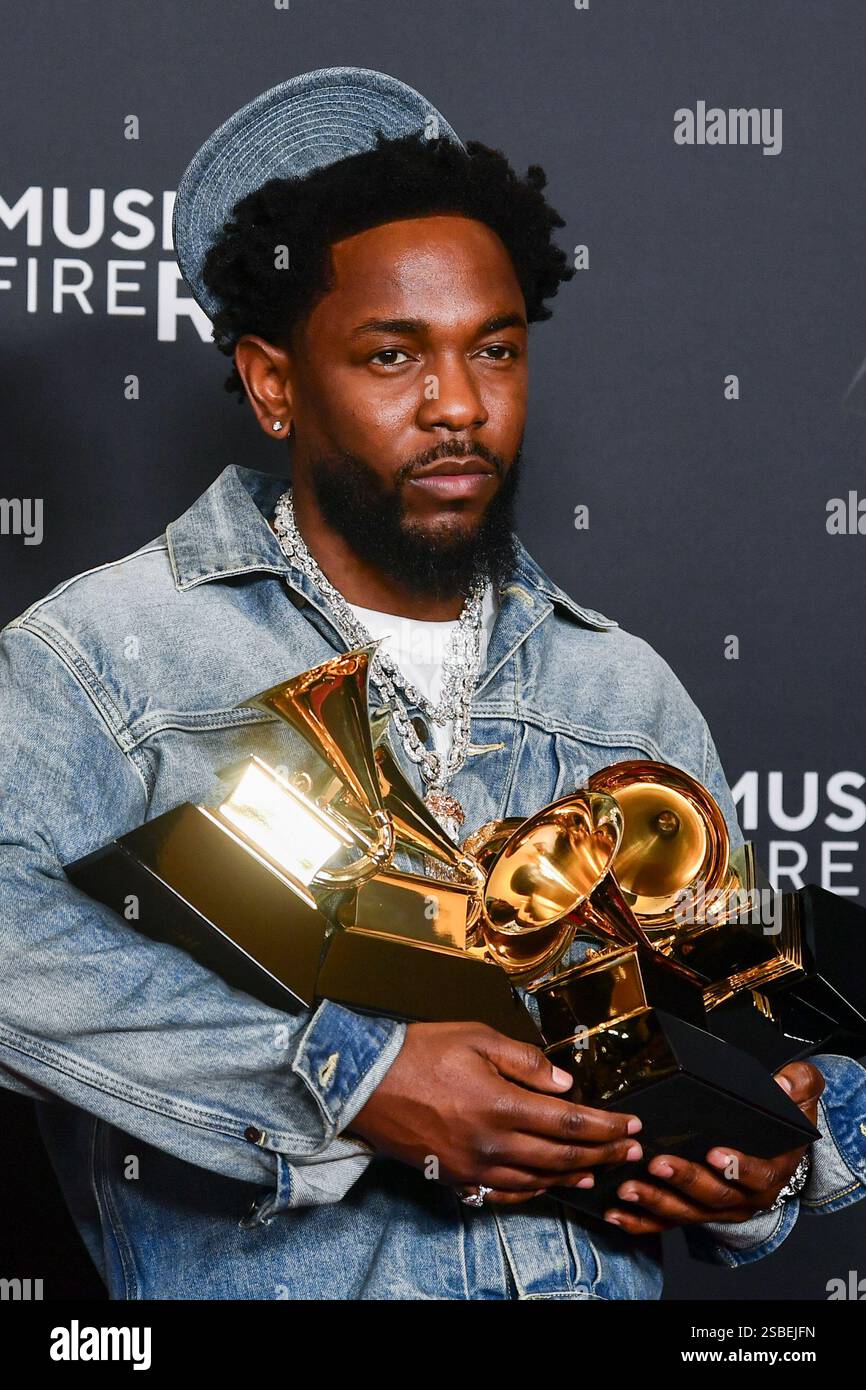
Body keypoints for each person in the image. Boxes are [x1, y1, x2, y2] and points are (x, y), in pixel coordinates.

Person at [1, 67, 863, 1301]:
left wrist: (760, 1162)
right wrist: (351, 1075)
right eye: (392, 353)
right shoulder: (102, 657)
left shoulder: (625, 688)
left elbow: (756, 1028)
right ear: (273, 383)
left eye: (493, 350)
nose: (457, 404)